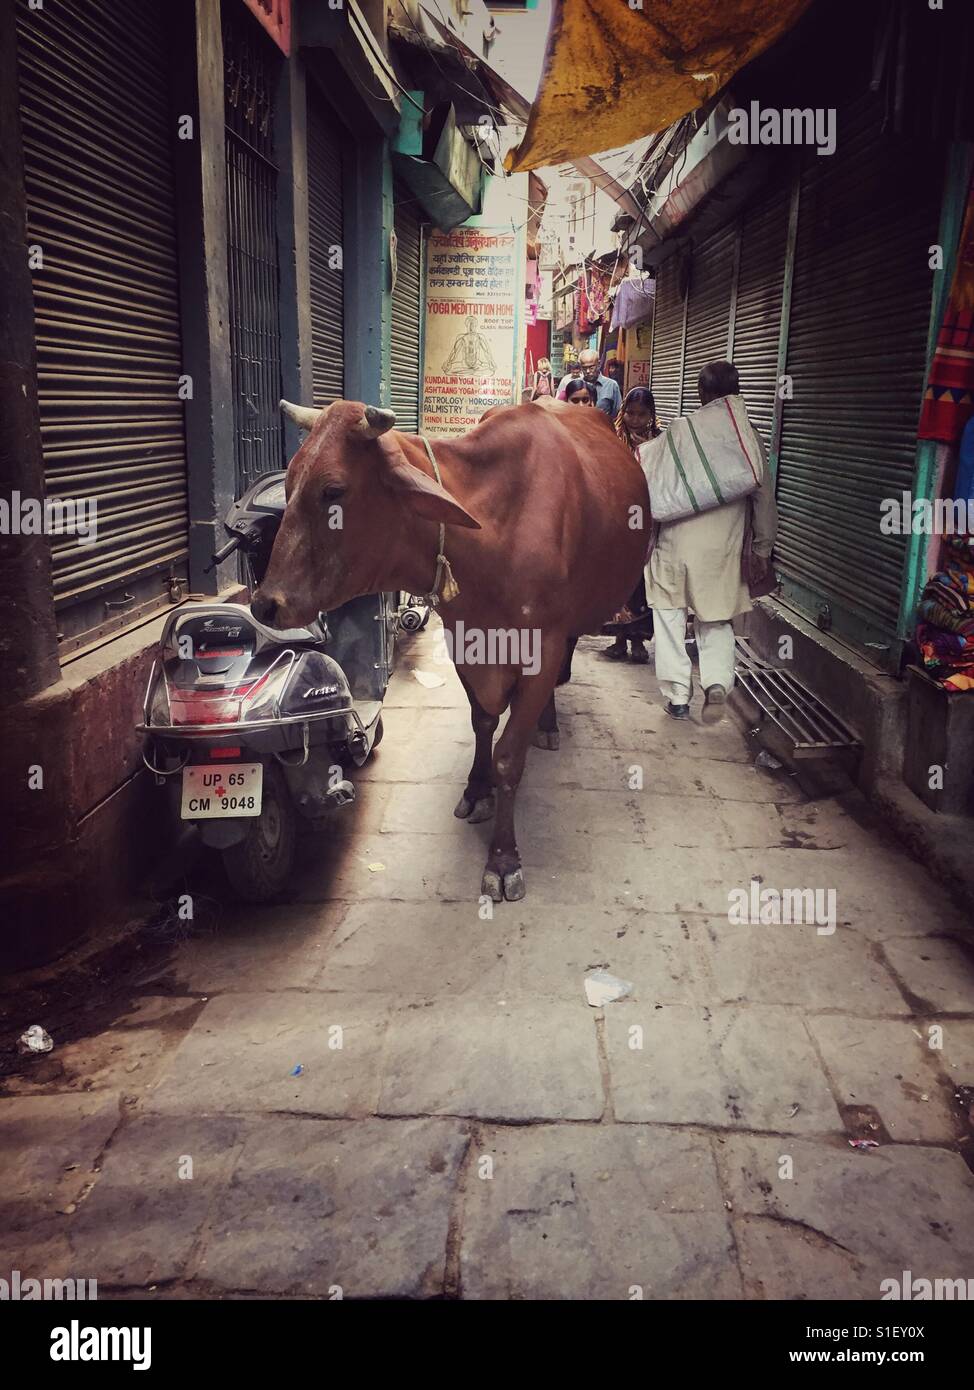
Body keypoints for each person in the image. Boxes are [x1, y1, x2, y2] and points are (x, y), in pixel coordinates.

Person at [644, 360, 777, 723]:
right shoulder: (750, 435)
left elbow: (655, 483)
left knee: (669, 614)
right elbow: (763, 498)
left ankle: (677, 697)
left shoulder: (680, 431)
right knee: (716, 617)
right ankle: (717, 682)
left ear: (702, 394)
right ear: (737, 392)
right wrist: (763, 548)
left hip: (675, 543)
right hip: (722, 549)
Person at [602, 388, 659, 663]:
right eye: (630, 413)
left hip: (648, 518)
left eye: (642, 414)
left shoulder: (660, 441)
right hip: (618, 517)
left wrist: (646, 450)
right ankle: (619, 638)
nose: (635, 420)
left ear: (651, 415)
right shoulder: (611, 440)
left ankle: (639, 641)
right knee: (620, 578)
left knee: (641, 582)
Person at [561, 349, 622, 418]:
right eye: (584, 368)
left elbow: (618, 414)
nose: (587, 371)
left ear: (598, 364)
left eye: (591, 367)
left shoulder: (611, 385)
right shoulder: (574, 386)